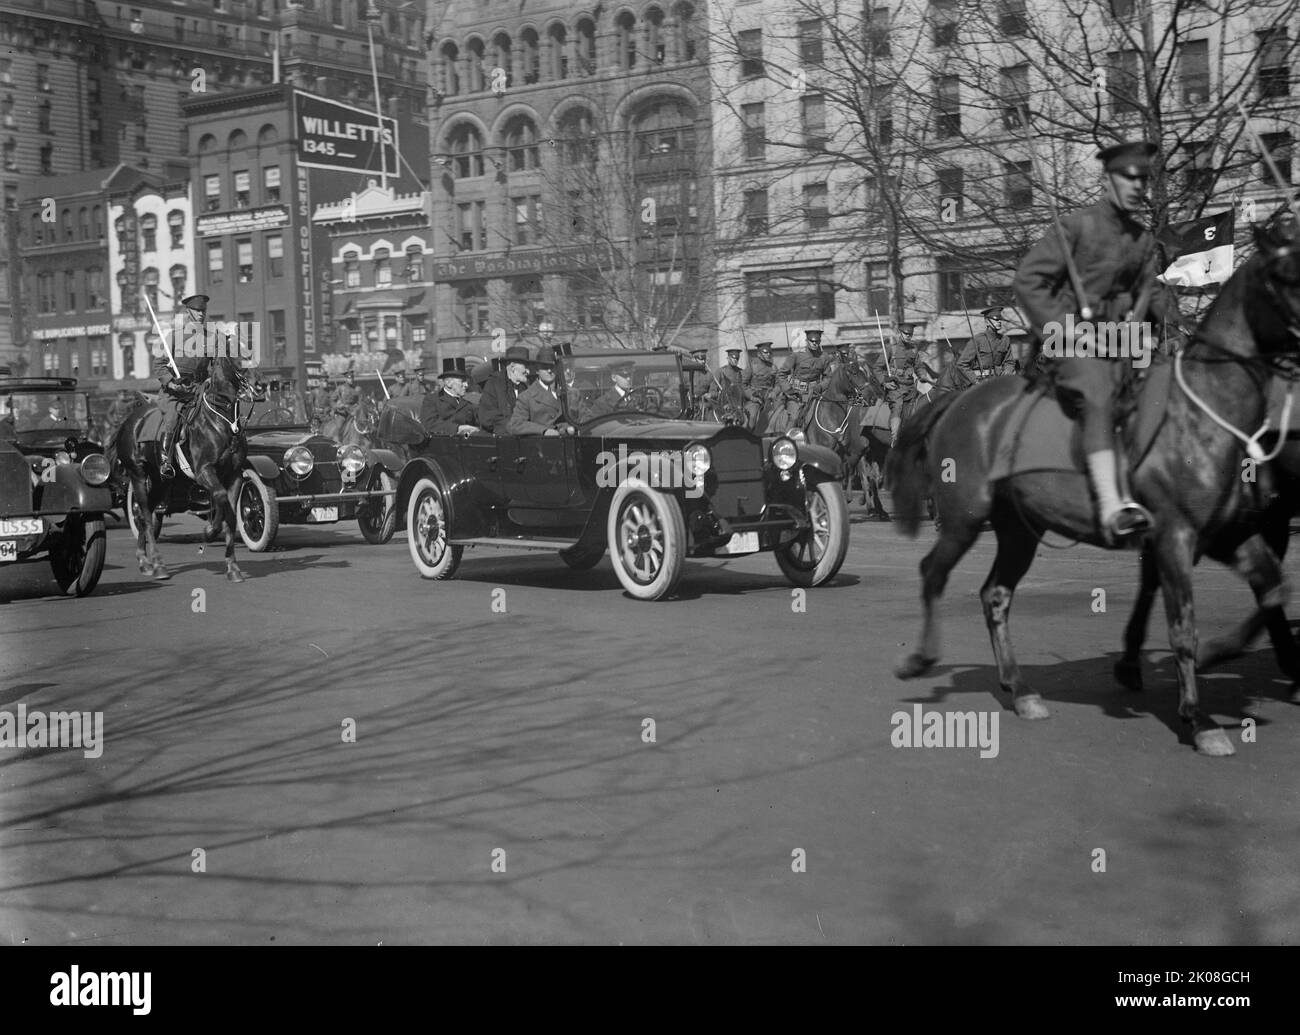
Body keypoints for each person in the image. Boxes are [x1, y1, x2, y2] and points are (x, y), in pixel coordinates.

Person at [1013, 139, 1180, 540]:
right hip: (1066, 339)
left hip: (1122, 339)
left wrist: (1177, 325)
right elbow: (1028, 282)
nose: (1138, 186)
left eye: (1144, 179)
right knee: (1097, 390)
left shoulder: (1141, 239)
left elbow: (1148, 293)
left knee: (1171, 384)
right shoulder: (1076, 226)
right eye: (1129, 177)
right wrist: (1067, 329)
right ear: (1108, 180)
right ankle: (1112, 506)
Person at [156, 293, 210, 478]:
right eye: (197, 311)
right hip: (175, 393)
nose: (201, 314)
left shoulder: (210, 338)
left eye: (203, 310)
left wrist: (210, 379)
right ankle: (166, 461)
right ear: (189, 312)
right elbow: (159, 365)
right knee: (171, 420)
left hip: (199, 389)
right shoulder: (174, 337)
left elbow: (215, 364)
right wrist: (171, 383)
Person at [873, 324, 937, 444]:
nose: (908, 336)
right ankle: (895, 439)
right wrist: (885, 383)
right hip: (895, 389)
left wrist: (922, 375)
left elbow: (919, 366)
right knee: (897, 408)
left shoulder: (913, 349)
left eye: (910, 334)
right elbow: (877, 368)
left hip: (911, 388)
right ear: (900, 333)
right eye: (906, 333)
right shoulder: (891, 349)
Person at [509, 346, 575, 436]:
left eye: (552, 366)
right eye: (544, 367)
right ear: (537, 370)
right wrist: (544, 430)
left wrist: (573, 427)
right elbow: (516, 424)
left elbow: (586, 417)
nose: (549, 370)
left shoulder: (571, 393)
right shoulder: (526, 397)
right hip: (542, 446)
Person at [955, 306, 1017, 387]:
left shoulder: (1005, 340)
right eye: (995, 319)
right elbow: (962, 364)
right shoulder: (977, 340)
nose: (999, 321)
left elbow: (1009, 362)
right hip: (980, 382)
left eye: (1000, 319)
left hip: (999, 381)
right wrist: (975, 380)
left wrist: (1007, 371)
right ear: (987, 322)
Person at [780, 328, 831, 425]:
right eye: (812, 341)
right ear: (807, 341)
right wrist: (788, 389)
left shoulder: (824, 357)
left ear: (820, 341)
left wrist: (820, 386)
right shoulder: (796, 356)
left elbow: (828, 377)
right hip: (797, 395)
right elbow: (781, 374)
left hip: (815, 394)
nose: (814, 343)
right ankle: (787, 439)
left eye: (817, 341)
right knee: (794, 418)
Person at [419, 358, 480, 436]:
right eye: (462, 381)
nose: (466, 385)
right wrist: (458, 428)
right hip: (442, 444)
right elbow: (430, 424)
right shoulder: (432, 400)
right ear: (448, 383)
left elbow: (481, 421)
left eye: (467, 382)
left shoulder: (468, 403)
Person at [478, 346, 531, 433]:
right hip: (501, 439)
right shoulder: (494, 384)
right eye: (525, 366)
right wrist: (514, 427)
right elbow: (487, 417)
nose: (528, 371)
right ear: (512, 366)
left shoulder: (526, 388)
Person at [746, 341, 780, 426]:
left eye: (769, 352)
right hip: (755, 398)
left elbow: (778, 384)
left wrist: (774, 392)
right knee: (753, 415)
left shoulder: (773, 367)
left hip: (769, 397)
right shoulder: (752, 366)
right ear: (759, 354)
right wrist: (751, 396)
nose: (768, 354)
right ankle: (749, 434)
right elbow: (743, 384)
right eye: (765, 352)